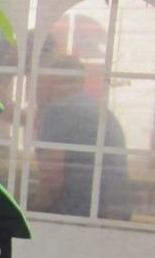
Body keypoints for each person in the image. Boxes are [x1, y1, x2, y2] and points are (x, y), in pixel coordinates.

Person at [29, 49, 130, 220]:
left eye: (38, 80)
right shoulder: (100, 111)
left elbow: (52, 180)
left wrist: (26, 213)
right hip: (114, 215)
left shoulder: (57, 111)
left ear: (53, 82)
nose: (34, 88)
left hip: (76, 216)